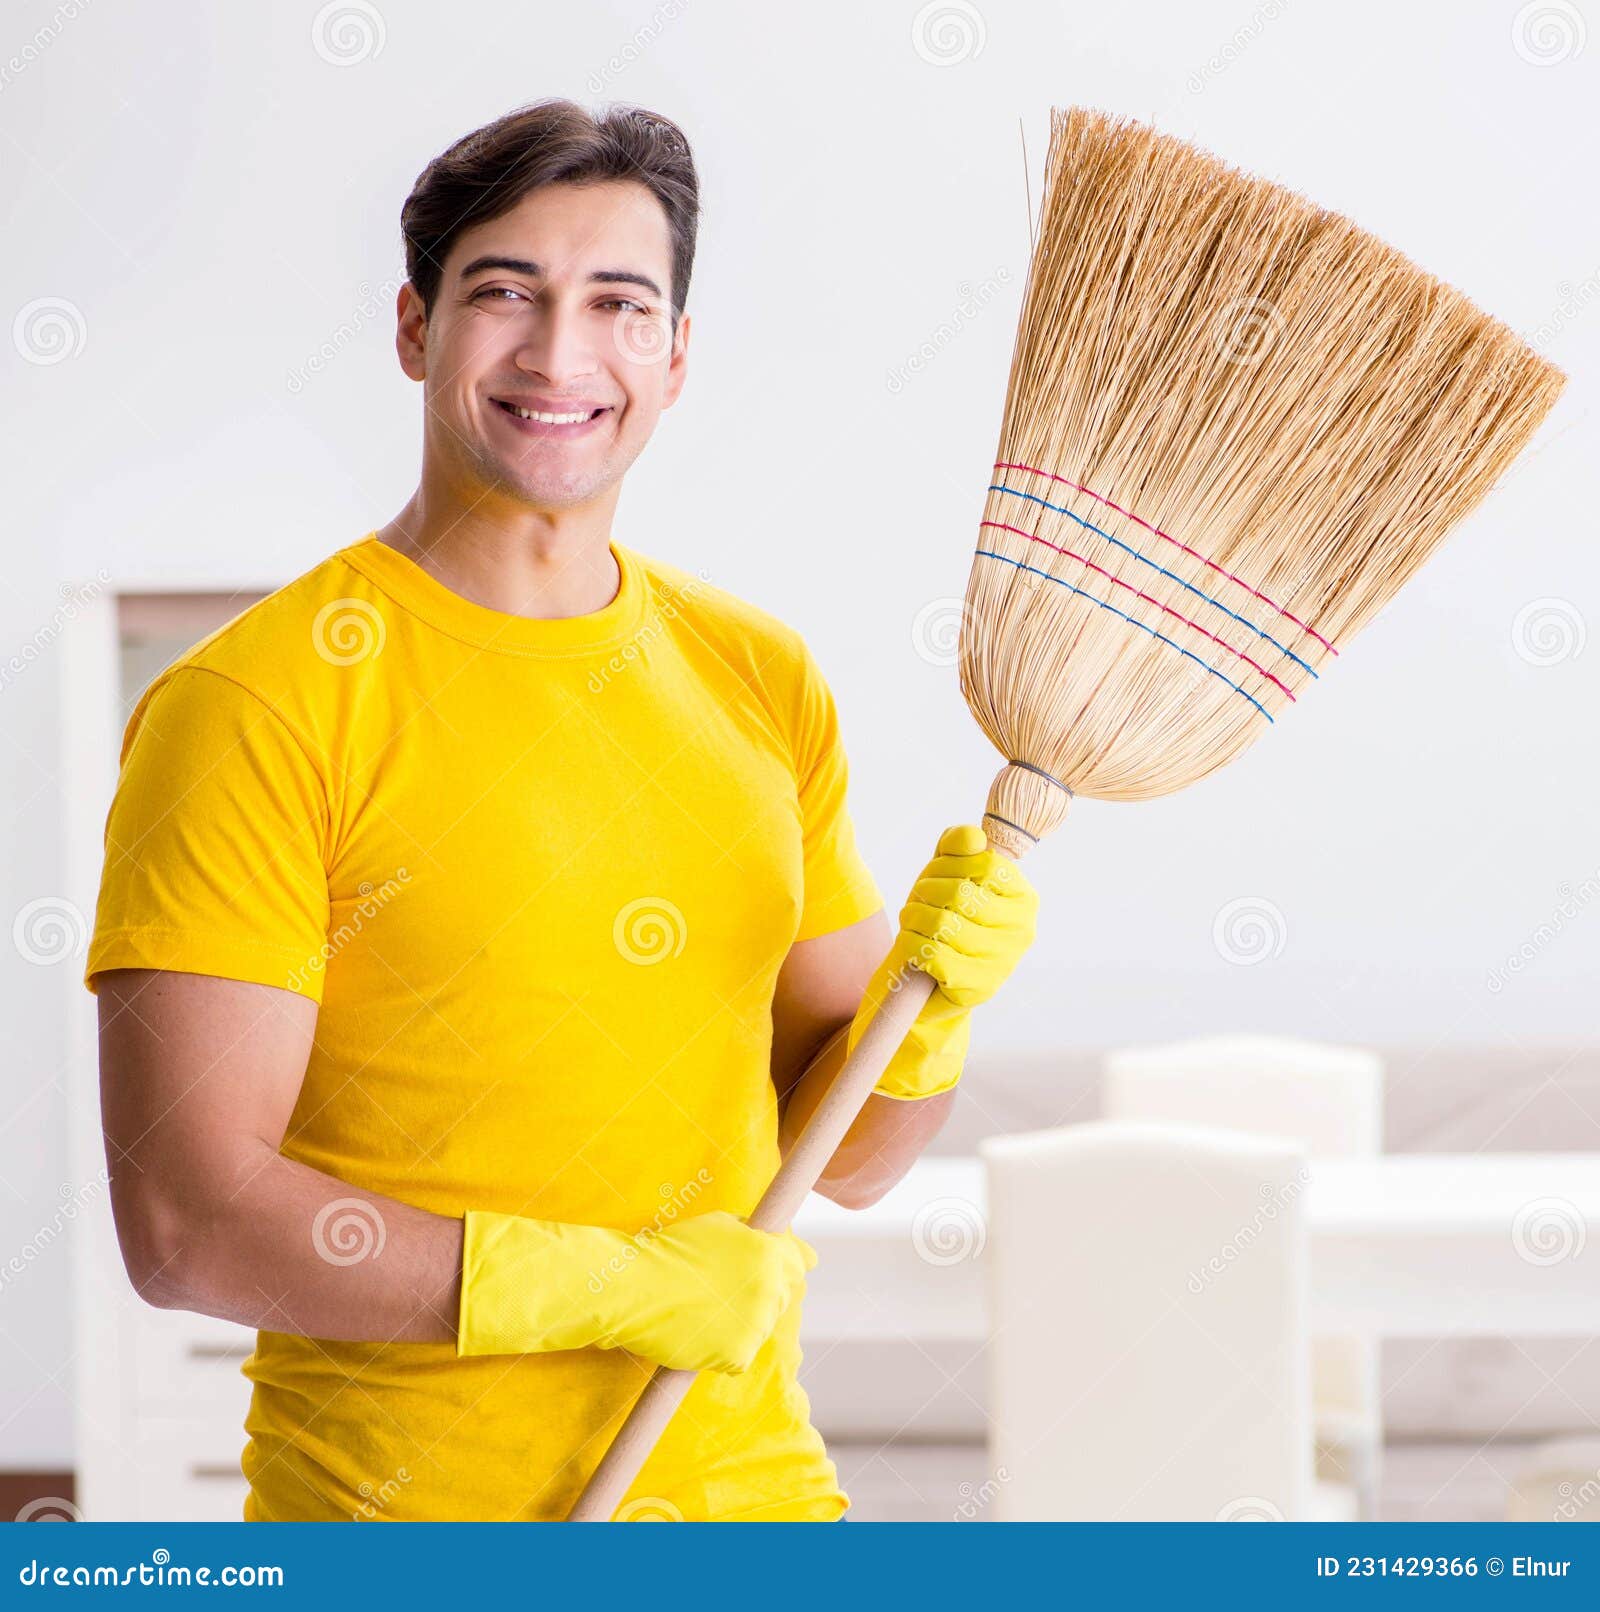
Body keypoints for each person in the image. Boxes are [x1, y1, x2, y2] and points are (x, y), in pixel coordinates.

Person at [85, 98, 1038, 1523]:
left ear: (674, 358)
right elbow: (187, 1224)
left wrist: (935, 1004)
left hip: (756, 1509)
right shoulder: (261, 702)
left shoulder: (757, 674)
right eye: (503, 295)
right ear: (415, 330)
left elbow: (853, 1161)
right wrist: (597, 1286)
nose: (557, 354)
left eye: (617, 305)